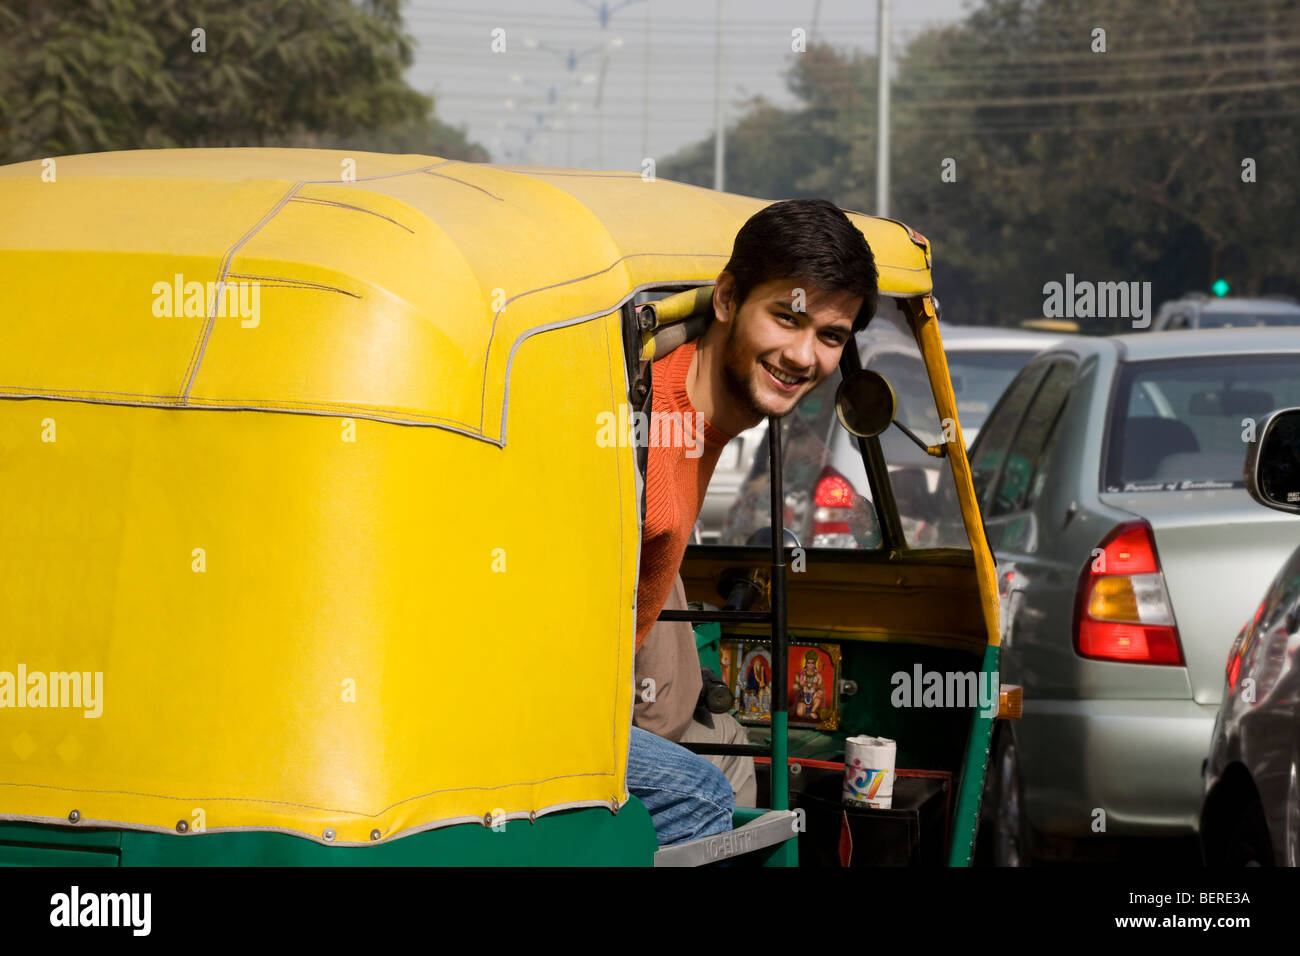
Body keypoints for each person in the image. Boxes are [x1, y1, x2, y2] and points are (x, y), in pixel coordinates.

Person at [627, 198, 879, 847]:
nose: (804, 355)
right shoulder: (638, 431)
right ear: (727, 297)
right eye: (787, 318)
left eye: (830, 336)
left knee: (729, 752)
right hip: (519, 726)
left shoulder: (693, 414)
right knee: (700, 794)